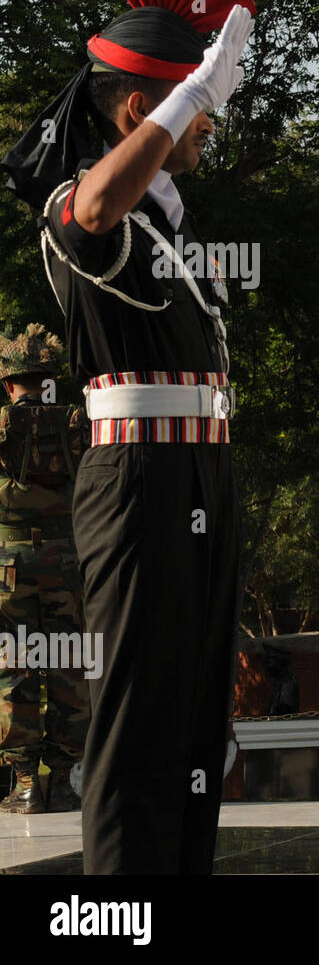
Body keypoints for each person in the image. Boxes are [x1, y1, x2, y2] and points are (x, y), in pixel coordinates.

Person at [1, 0, 255, 872]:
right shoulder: (80, 208)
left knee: (194, 710)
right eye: (197, 109)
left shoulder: (172, 227)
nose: (210, 127)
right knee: (139, 704)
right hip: (140, 473)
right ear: (143, 109)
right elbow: (95, 209)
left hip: (199, 469)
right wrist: (193, 88)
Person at [0, 324, 91, 813]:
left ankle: (24, 785)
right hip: (70, 562)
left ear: (8, 381)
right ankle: (65, 782)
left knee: (13, 669)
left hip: (8, 568)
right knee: (69, 668)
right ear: (48, 376)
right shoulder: (79, 422)